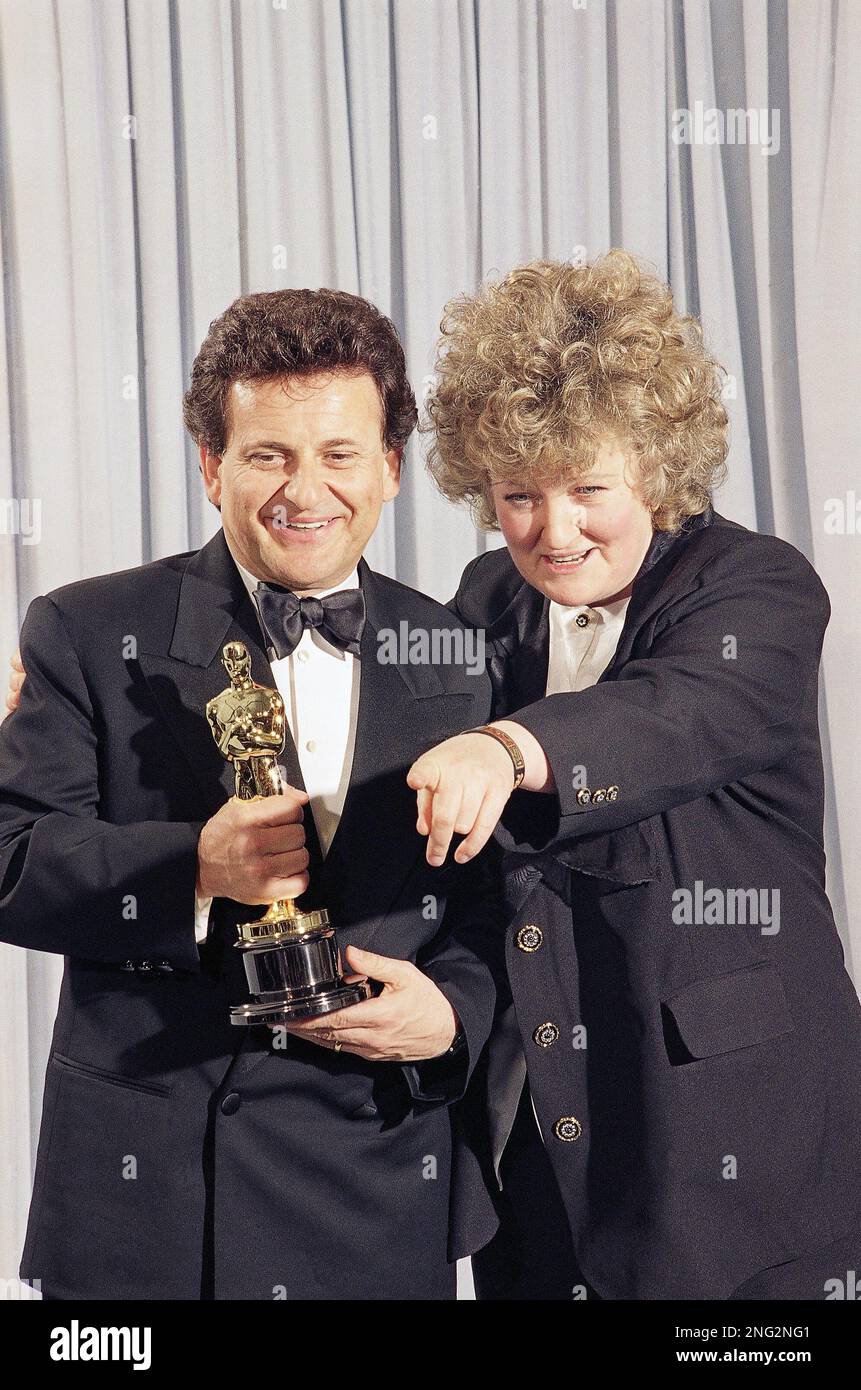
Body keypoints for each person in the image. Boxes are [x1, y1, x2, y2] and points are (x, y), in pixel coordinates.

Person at [0, 288, 504, 1300]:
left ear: (393, 467)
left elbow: (498, 912)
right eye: (269, 454)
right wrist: (194, 865)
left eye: (340, 454)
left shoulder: (458, 653)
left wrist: (451, 1017)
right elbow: (13, 858)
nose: (304, 489)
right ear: (211, 464)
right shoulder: (87, 629)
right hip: (151, 1212)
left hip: (372, 1190)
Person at [405, 250, 861, 1299]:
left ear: (658, 465)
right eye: (518, 494)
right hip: (538, 1150)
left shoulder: (757, 587)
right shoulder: (486, 597)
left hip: (735, 1152)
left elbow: (672, 718)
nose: (553, 532)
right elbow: (391, 718)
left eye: (589, 489)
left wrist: (507, 747)